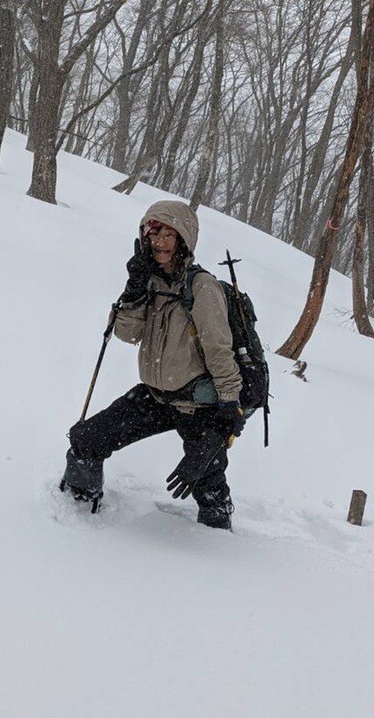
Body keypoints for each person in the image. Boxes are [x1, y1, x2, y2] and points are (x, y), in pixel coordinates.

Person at [61, 199, 243, 530]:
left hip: (198, 405)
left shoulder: (202, 287)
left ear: (184, 240)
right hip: (154, 397)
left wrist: (229, 407)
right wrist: (133, 291)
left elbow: (219, 349)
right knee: (87, 439)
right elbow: (127, 334)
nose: (158, 241)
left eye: (168, 234)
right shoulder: (148, 282)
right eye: (152, 231)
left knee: (206, 482)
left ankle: (218, 541)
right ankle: (76, 509)